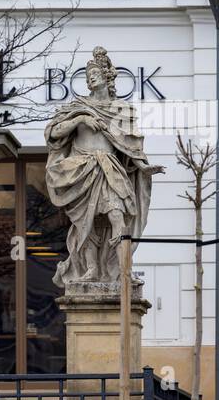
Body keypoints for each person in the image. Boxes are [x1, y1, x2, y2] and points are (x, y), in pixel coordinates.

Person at [44, 47, 164, 288]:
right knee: (84, 223)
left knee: (118, 217)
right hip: (81, 169)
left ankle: (123, 271)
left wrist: (144, 167)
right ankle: (90, 269)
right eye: (88, 75)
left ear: (107, 77)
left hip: (109, 170)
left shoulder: (121, 109)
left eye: (95, 73)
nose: (91, 78)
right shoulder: (77, 107)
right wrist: (80, 119)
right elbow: (53, 134)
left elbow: (129, 146)